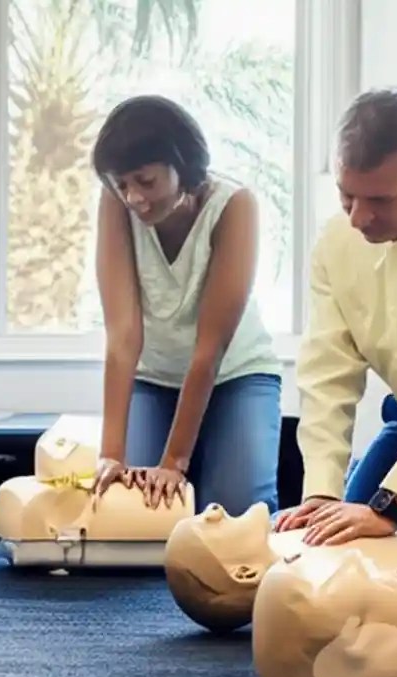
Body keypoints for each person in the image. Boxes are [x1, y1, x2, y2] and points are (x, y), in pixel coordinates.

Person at [276, 88, 397, 549]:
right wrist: (320, 492)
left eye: (380, 199)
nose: (360, 218)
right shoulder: (335, 243)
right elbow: (326, 378)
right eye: (347, 195)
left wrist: (394, 505)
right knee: (337, 539)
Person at [88, 95, 283, 515]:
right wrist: (111, 455)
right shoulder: (116, 204)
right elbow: (122, 336)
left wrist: (175, 462)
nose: (134, 197)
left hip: (237, 374)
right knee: (135, 508)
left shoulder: (234, 205)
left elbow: (209, 349)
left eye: (146, 181)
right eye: (122, 185)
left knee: (232, 513)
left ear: (182, 165)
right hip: (154, 378)